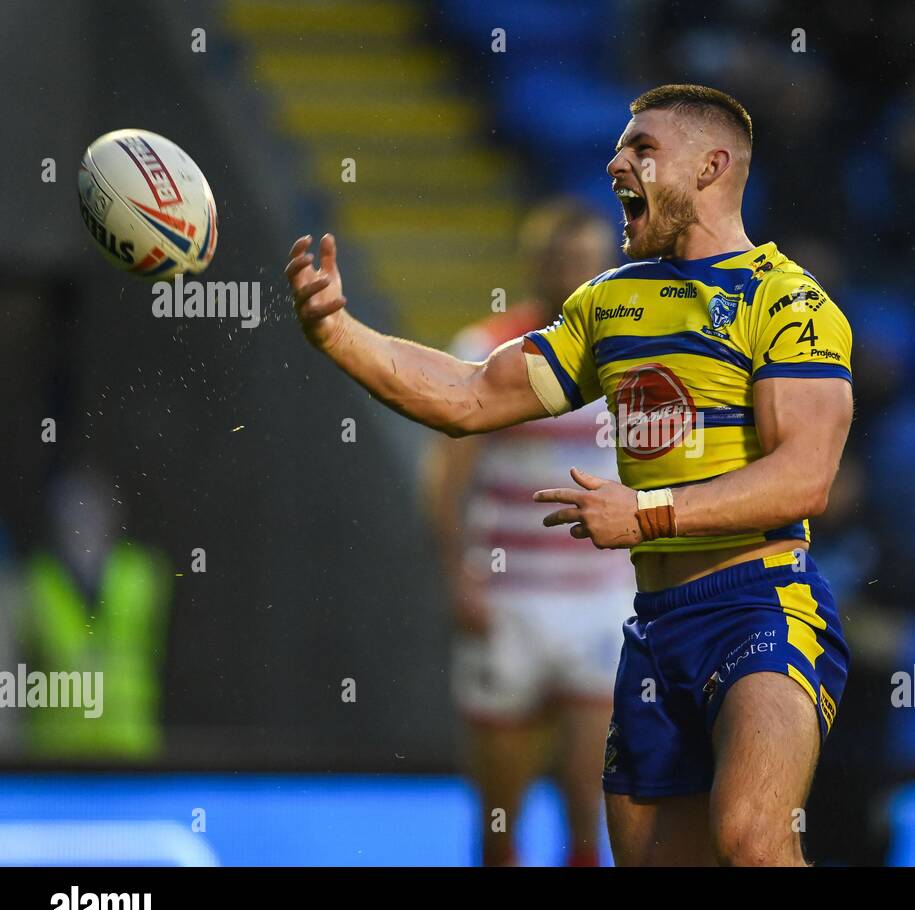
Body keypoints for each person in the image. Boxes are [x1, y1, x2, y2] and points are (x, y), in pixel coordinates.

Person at [286, 84, 855, 866]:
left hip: (762, 606)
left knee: (753, 841)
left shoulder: (789, 301)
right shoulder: (609, 304)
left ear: (712, 167)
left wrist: (648, 512)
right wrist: (338, 333)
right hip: (656, 625)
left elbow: (805, 479)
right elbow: (470, 394)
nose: (615, 161)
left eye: (643, 149)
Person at [425, 198, 634, 866]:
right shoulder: (489, 349)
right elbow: (444, 479)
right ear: (536, 264)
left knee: (587, 794)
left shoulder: (629, 357)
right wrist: (457, 575)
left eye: (587, 261)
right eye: (562, 260)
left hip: (599, 600)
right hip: (509, 598)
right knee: (498, 813)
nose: (575, 274)